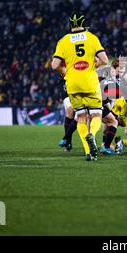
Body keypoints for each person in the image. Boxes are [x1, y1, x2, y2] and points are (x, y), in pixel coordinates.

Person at [52, 13, 108, 161]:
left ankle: (88, 152)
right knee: (96, 114)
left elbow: (54, 65)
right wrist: (94, 66)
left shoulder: (63, 41)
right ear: (84, 24)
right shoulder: (91, 37)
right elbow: (105, 60)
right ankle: (92, 135)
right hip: (89, 82)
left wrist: (64, 73)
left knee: (81, 117)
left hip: (72, 83)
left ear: (71, 25)